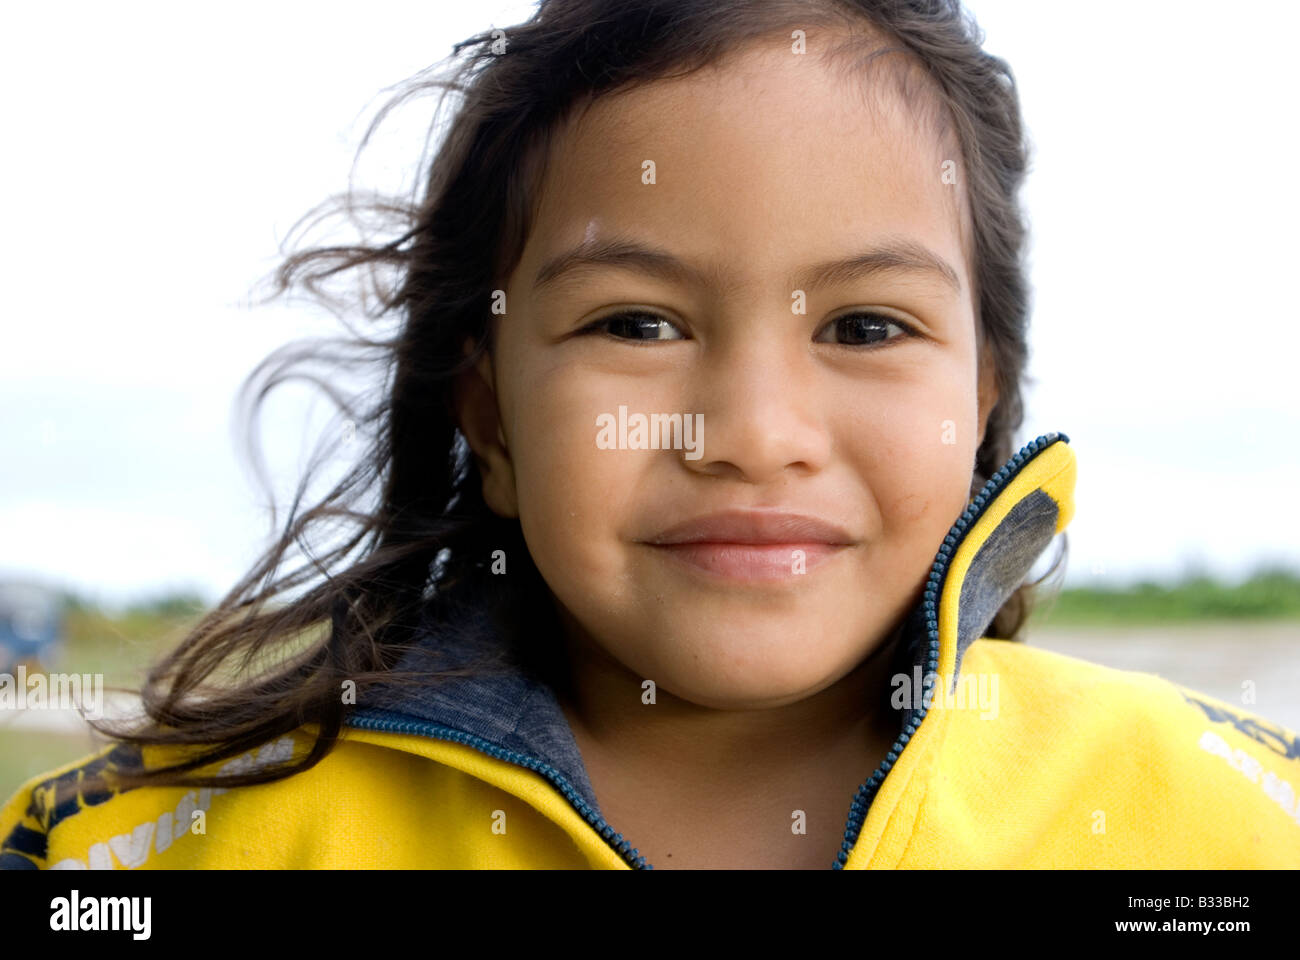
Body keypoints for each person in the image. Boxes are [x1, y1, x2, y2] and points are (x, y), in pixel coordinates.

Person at [3, 0, 1297, 870]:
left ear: (982, 405)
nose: (752, 433)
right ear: (492, 416)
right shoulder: (150, 849)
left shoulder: (1227, 826)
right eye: (635, 320)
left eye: (862, 327)